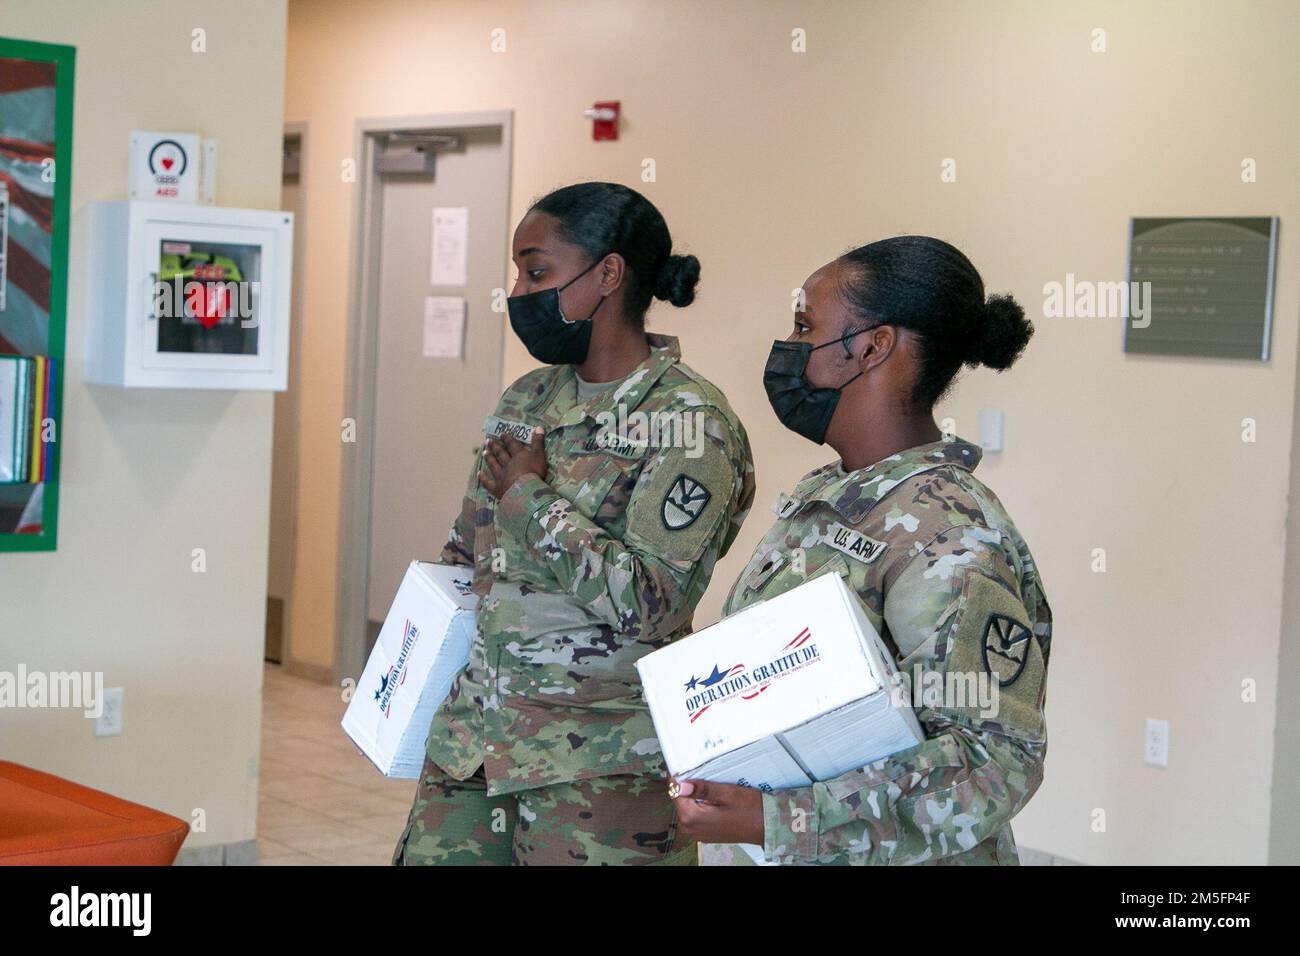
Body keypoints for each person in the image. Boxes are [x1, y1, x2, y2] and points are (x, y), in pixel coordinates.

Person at [393, 182, 755, 865]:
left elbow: (653, 601)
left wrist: (529, 495)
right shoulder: (529, 397)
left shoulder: (691, 425)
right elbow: (466, 557)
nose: (520, 292)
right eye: (518, 273)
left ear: (607, 276)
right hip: (472, 749)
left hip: (601, 769)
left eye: (537, 271)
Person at [668, 235, 1051, 865]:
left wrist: (781, 821)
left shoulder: (945, 532)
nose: (788, 347)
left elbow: (995, 760)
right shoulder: (836, 495)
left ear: (872, 347)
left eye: (804, 325)